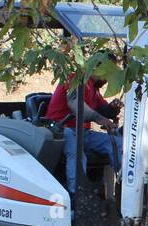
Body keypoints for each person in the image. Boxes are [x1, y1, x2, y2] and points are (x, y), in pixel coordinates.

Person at [45, 63, 123, 194]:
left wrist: (113, 109)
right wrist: (99, 118)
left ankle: (124, 188)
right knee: (77, 152)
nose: (106, 80)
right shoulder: (73, 79)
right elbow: (75, 104)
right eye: (106, 75)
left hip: (83, 133)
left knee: (118, 144)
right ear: (97, 68)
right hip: (61, 130)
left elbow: (103, 110)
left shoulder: (94, 89)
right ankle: (77, 195)